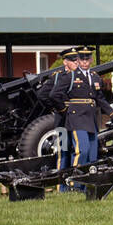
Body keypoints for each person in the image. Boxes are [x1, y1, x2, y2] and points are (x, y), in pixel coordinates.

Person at [55, 45, 113, 174]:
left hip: (92, 119)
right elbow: (54, 94)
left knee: (92, 154)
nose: (85, 62)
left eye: (88, 58)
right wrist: (64, 109)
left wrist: (112, 113)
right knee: (82, 150)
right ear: (78, 60)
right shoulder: (70, 76)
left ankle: (87, 183)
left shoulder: (95, 77)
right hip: (77, 118)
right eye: (82, 59)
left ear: (91, 60)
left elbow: (100, 98)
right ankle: (75, 181)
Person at [46, 47, 81, 185]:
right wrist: (60, 108)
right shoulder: (58, 76)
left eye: (77, 59)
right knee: (63, 151)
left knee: (74, 149)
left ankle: (72, 181)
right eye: (73, 60)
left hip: (73, 117)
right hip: (62, 118)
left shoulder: (78, 76)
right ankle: (61, 185)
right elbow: (44, 95)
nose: (76, 62)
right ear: (65, 61)